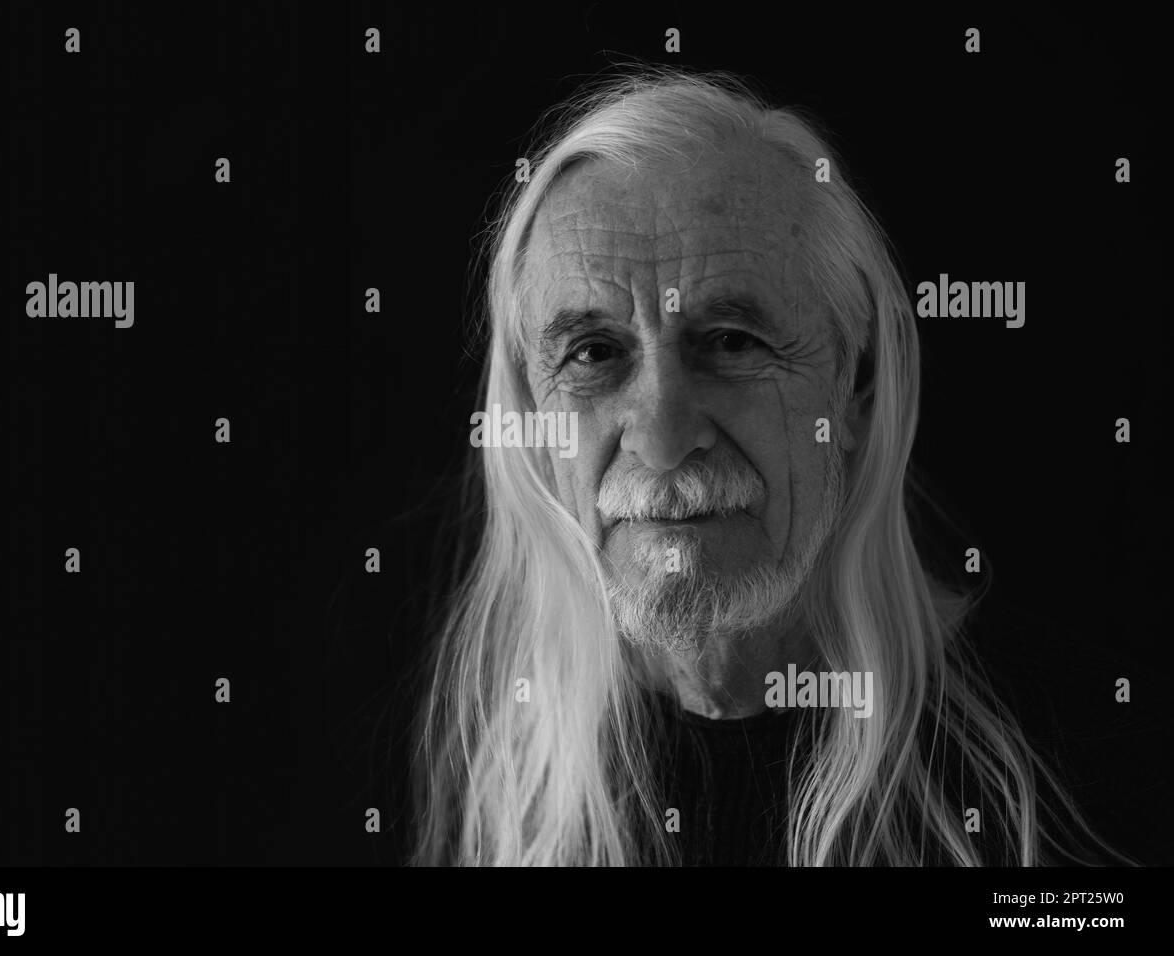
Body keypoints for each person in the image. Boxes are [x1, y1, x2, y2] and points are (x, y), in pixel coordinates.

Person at [411, 66, 1124, 866]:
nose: (663, 438)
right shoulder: (499, 782)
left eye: (732, 342)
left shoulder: (1094, 768)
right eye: (594, 353)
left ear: (856, 388)